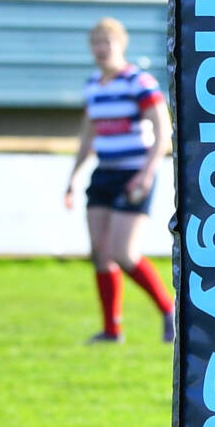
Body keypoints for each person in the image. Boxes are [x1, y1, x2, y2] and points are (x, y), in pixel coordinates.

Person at [64, 17, 175, 344]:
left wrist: (147, 172)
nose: (100, 48)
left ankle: (169, 311)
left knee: (123, 252)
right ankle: (112, 329)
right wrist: (73, 177)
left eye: (106, 42)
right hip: (104, 173)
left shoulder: (138, 82)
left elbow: (162, 132)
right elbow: (88, 135)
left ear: (120, 45)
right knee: (100, 252)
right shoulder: (93, 86)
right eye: (96, 42)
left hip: (133, 173)